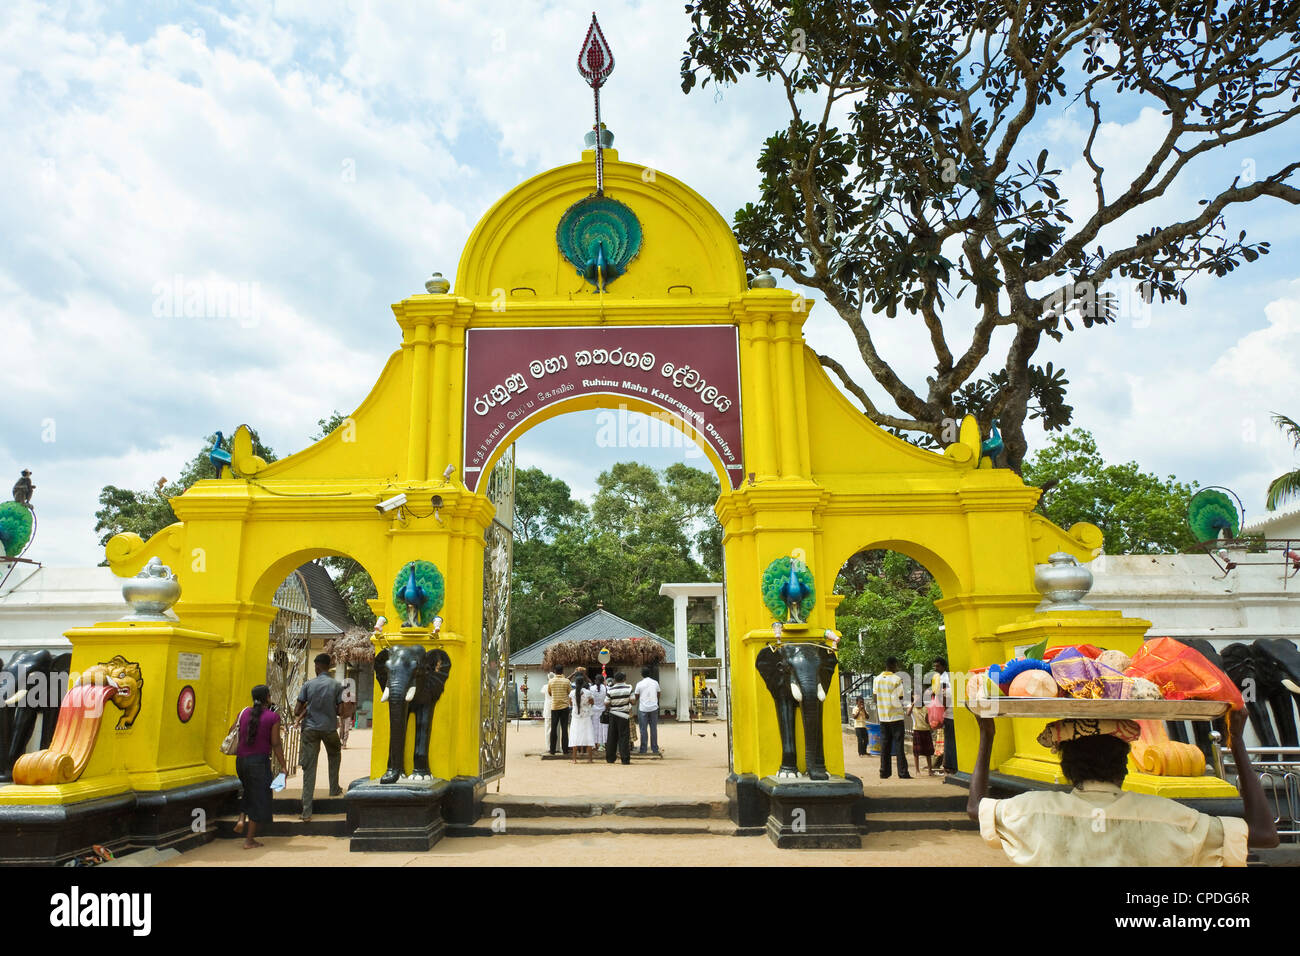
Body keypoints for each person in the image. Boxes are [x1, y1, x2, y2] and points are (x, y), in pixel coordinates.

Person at [967, 708, 1279, 866]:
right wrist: (1236, 742)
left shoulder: (1030, 810)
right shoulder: (1174, 818)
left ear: (1064, 766)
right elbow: (1264, 835)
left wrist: (986, 735)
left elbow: (975, 806)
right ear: (1125, 764)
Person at [233, 684, 287, 850]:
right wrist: (283, 766)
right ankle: (250, 840)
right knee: (258, 797)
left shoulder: (243, 713)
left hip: (241, 761)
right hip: (259, 762)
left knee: (248, 790)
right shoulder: (272, 717)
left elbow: (232, 731)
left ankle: (242, 818)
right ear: (268, 697)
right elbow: (276, 743)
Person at [294, 653, 343, 822]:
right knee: (335, 754)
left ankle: (306, 811)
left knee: (309, 768)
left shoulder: (308, 685)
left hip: (310, 729)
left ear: (317, 666)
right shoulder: (337, 685)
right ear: (328, 667)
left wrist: (308, 707)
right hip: (329, 728)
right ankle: (334, 788)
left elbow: (296, 710)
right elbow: (340, 711)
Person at [873, 658, 911, 779]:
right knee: (899, 745)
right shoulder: (897, 679)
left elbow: (875, 698)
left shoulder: (877, 679)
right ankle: (903, 772)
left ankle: (884, 772)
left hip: (883, 717)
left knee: (885, 745)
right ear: (894, 665)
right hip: (896, 716)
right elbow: (900, 697)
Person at [604, 671, 634, 765]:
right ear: (624, 679)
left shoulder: (610, 690)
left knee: (612, 737)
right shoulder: (629, 688)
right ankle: (625, 759)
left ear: (615, 680)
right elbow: (633, 701)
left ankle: (610, 758)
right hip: (624, 715)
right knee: (624, 737)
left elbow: (606, 703)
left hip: (613, 715)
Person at [933, 657, 955, 774]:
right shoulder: (940, 678)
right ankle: (948, 765)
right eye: (934, 666)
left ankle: (950, 765)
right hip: (947, 713)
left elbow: (945, 697)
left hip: (949, 714)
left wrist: (939, 714)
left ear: (943, 666)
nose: (935, 668)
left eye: (937, 666)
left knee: (950, 741)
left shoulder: (944, 679)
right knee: (948, 740)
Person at [633, 666, 661, 755]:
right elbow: (659, 694)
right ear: (650, 674)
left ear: (642, 674)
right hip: (654, 708)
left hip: (643, 709)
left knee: (643, 729)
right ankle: (655, 748)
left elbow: (636, 697)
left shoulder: (639, 684)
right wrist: (654, 702)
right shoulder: (655, 683)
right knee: (653, 729)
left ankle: (643, 749)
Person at [569, 671, 596, 762]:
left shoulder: (572, 693)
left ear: (575, 683)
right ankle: (590, 759)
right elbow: (592, 703)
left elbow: (570, 703)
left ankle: (574, 759)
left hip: (576, 716)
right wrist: (586, 705)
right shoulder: (588, 692)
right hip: (586, 716)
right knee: (588, 735)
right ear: (584, 683)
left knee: (575, 735)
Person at [547, 664, 571, 755]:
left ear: (555, 671)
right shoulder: (567, 681)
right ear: (563, 671)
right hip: (565, 707)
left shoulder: (551, 681)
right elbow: (569, 692)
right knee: (564, 729)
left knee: (553, 728)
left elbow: (550, 693)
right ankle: (565, 750)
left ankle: (552, 750)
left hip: (554, 707)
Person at [910, 692, 936, 776]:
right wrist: (913, 703)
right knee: (916, 752)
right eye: (914, 695)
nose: (916, 696)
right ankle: (917, 771)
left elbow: (927, 720)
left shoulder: (926, 708)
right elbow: (907, 713)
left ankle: (930, 770)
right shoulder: (912, 707)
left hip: (926, 730)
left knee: (928, 752)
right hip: (917, 730)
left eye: (917, 695)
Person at [590, 673, 608, 751]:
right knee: (603, 728)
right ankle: (602, 745)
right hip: (603, 710)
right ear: (603, 681)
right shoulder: (606, 688)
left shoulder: (591, 688)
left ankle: (594, 744)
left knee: (594, 727)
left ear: (595, 680)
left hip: (594, 710)